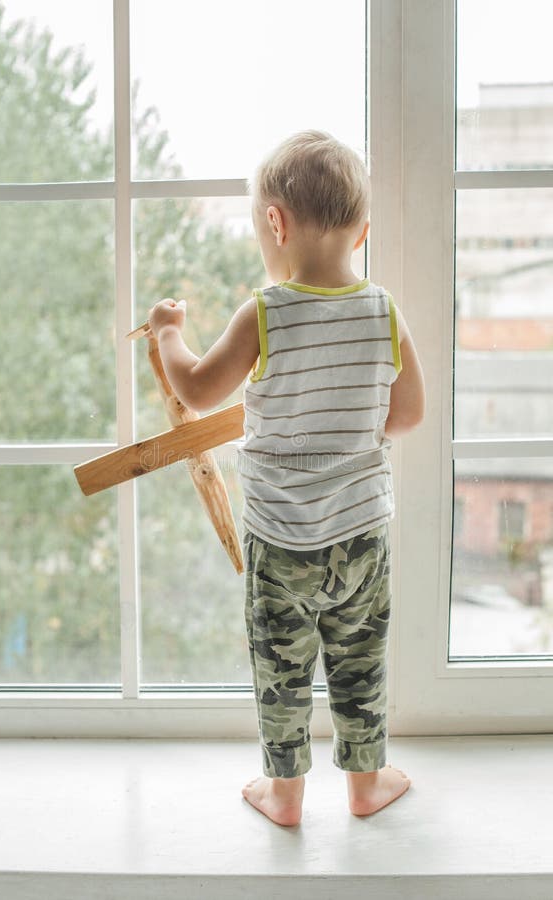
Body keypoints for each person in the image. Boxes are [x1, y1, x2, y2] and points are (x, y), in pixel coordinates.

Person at [146, 130, 425, 827]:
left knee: (282, 670)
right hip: (363, 537)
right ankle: (366, 784)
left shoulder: (267, 313)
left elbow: (202, 389)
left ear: (275, 222)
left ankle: (286, 795)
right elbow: (410, 414)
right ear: (362, 232)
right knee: (361, 661)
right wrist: (350, 427)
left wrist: (167, 334)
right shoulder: (384, 311)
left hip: (282, 544)